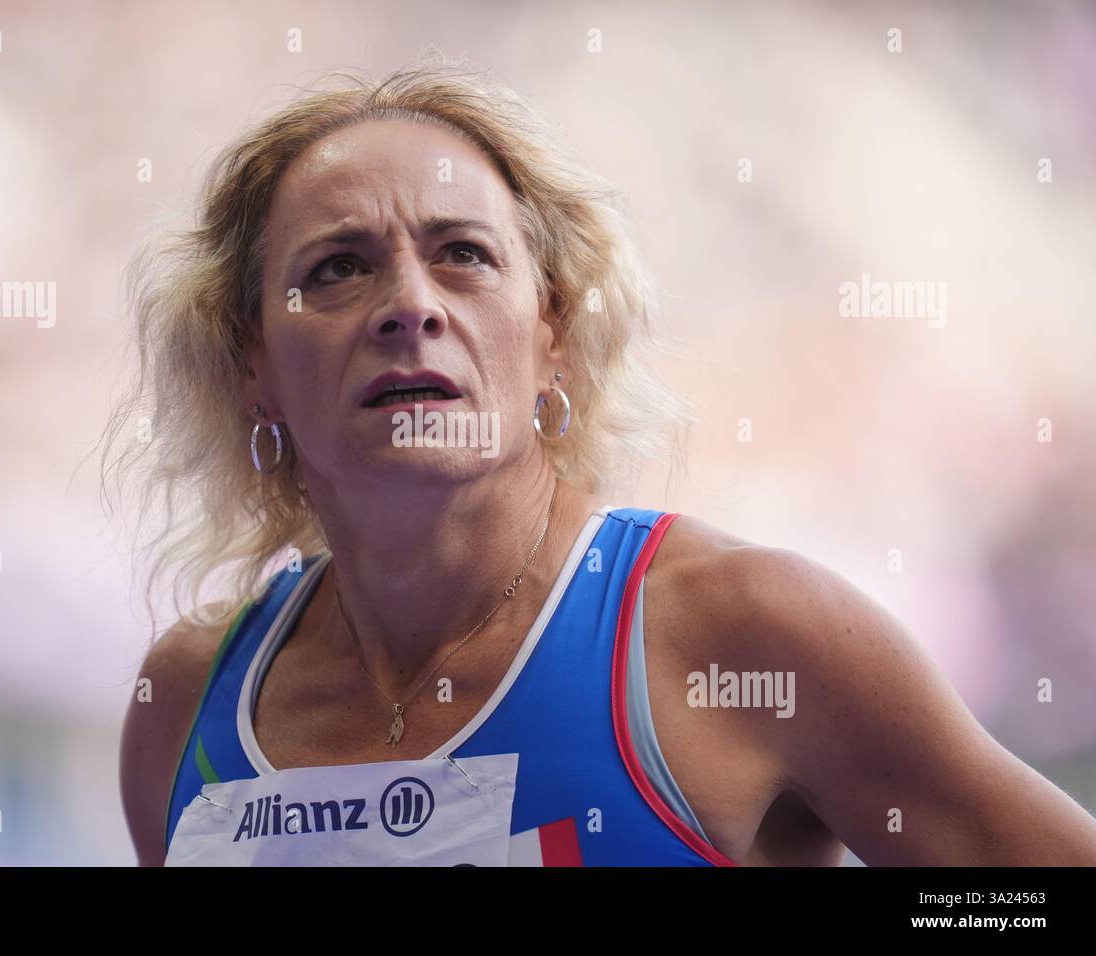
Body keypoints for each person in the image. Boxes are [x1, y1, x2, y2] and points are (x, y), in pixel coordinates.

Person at [111, 59, 1096, 866]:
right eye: (337, 267)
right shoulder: (185, 707)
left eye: (462, 253)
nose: (409, 303)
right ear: (252, 367)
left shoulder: (739, 632)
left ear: (551, 332)